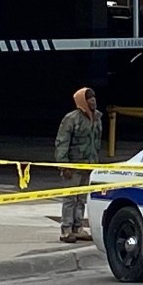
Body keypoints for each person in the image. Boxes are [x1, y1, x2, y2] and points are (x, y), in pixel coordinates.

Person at [53, 87, 101, 243]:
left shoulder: (97, 117)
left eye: (94, 97)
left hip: (89, 165)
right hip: (73, 166)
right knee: (70, 199)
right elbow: (62, 142)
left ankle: (78, 227)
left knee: (81, 199)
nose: (93, 100)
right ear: (82, 101)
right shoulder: (71, 119)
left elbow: (96, 143)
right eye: (89, 98)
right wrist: (64, 165)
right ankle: (66, 230)